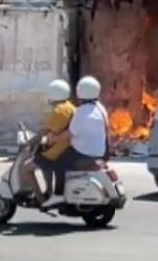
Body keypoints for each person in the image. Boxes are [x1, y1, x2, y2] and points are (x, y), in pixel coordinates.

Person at [42, 75, 109, 208]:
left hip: (83, 153)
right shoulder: (101, 109)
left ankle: (58, 195)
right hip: (100, 152)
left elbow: (69, 134)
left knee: (58, 163)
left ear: (80, 91)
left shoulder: (82, 111)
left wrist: (52, 138)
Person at [20, 79, 75, 204]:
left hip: (56, 150)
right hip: (64, 148)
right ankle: (49, 192)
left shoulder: (60, 110)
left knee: (25, 168)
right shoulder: (70, 107)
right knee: (43, 161)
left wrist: (29, 142)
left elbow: (44, 132)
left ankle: (40, 199)